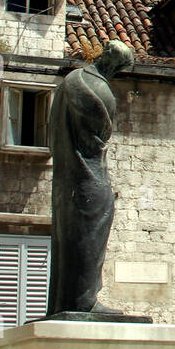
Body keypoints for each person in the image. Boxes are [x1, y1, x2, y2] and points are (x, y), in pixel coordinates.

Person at [47, 39, 134, 315]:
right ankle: (85, 302)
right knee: (90, 237)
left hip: (65, 180)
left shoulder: (71, 80)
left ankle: (64, 303)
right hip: (89, 178)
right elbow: (100, 141)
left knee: (67, 240)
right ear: (115, 64)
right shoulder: (101, 92)